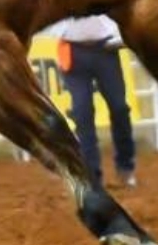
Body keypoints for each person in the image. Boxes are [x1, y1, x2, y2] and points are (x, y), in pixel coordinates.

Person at [50, 15, 136, 188]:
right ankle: (92, 175)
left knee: (119, 107)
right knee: (82, 112)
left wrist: (119, 32)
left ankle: (125, 167)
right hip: (72, 50)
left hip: (106, 48)